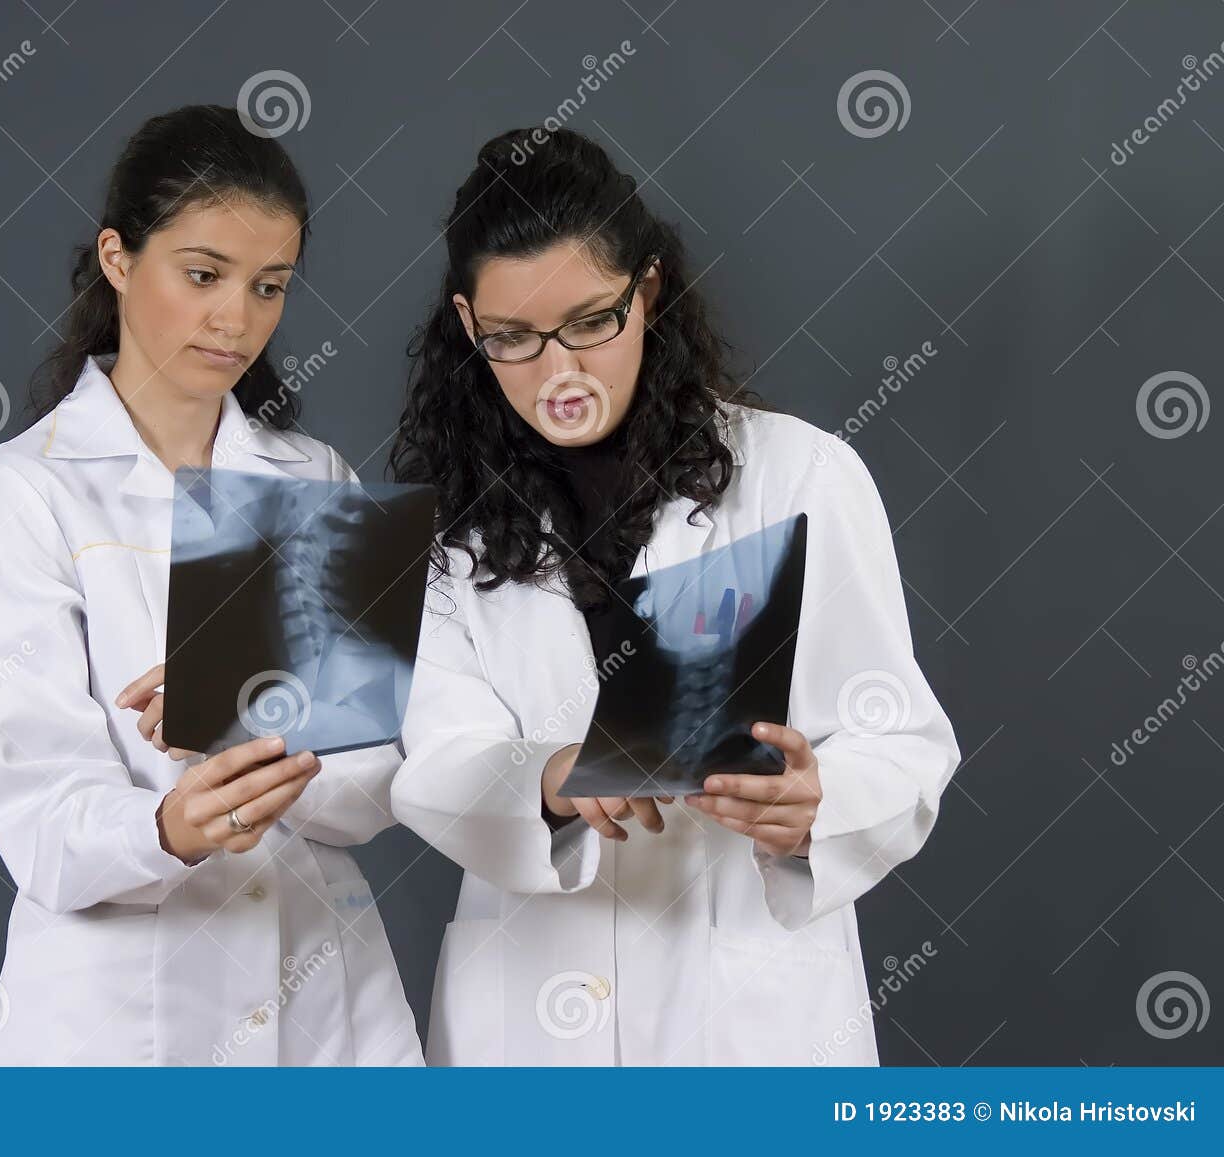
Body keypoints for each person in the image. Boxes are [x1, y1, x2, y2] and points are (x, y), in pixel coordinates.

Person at [388, 126, 961, 1066]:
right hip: (528, 1030)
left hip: (745, 1023)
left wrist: (820, 802)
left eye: (590, 321)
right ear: (466, 323)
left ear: (646, 291)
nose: (557, 368)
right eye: (513, 338)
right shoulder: (447, 531)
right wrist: (549, 778)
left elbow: (901, 737)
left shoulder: (800, 474)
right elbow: (435, 761)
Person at [0, 105, 421, 1066]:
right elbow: (35, 804)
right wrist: (167, 824)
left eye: (269, 286)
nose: (236, 319)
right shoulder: (30, 485)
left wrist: (257, 727)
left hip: (320, 999)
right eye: (203, 275)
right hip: (118, 1014)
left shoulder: (313, 475)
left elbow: (374, 779)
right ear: (119, 257)